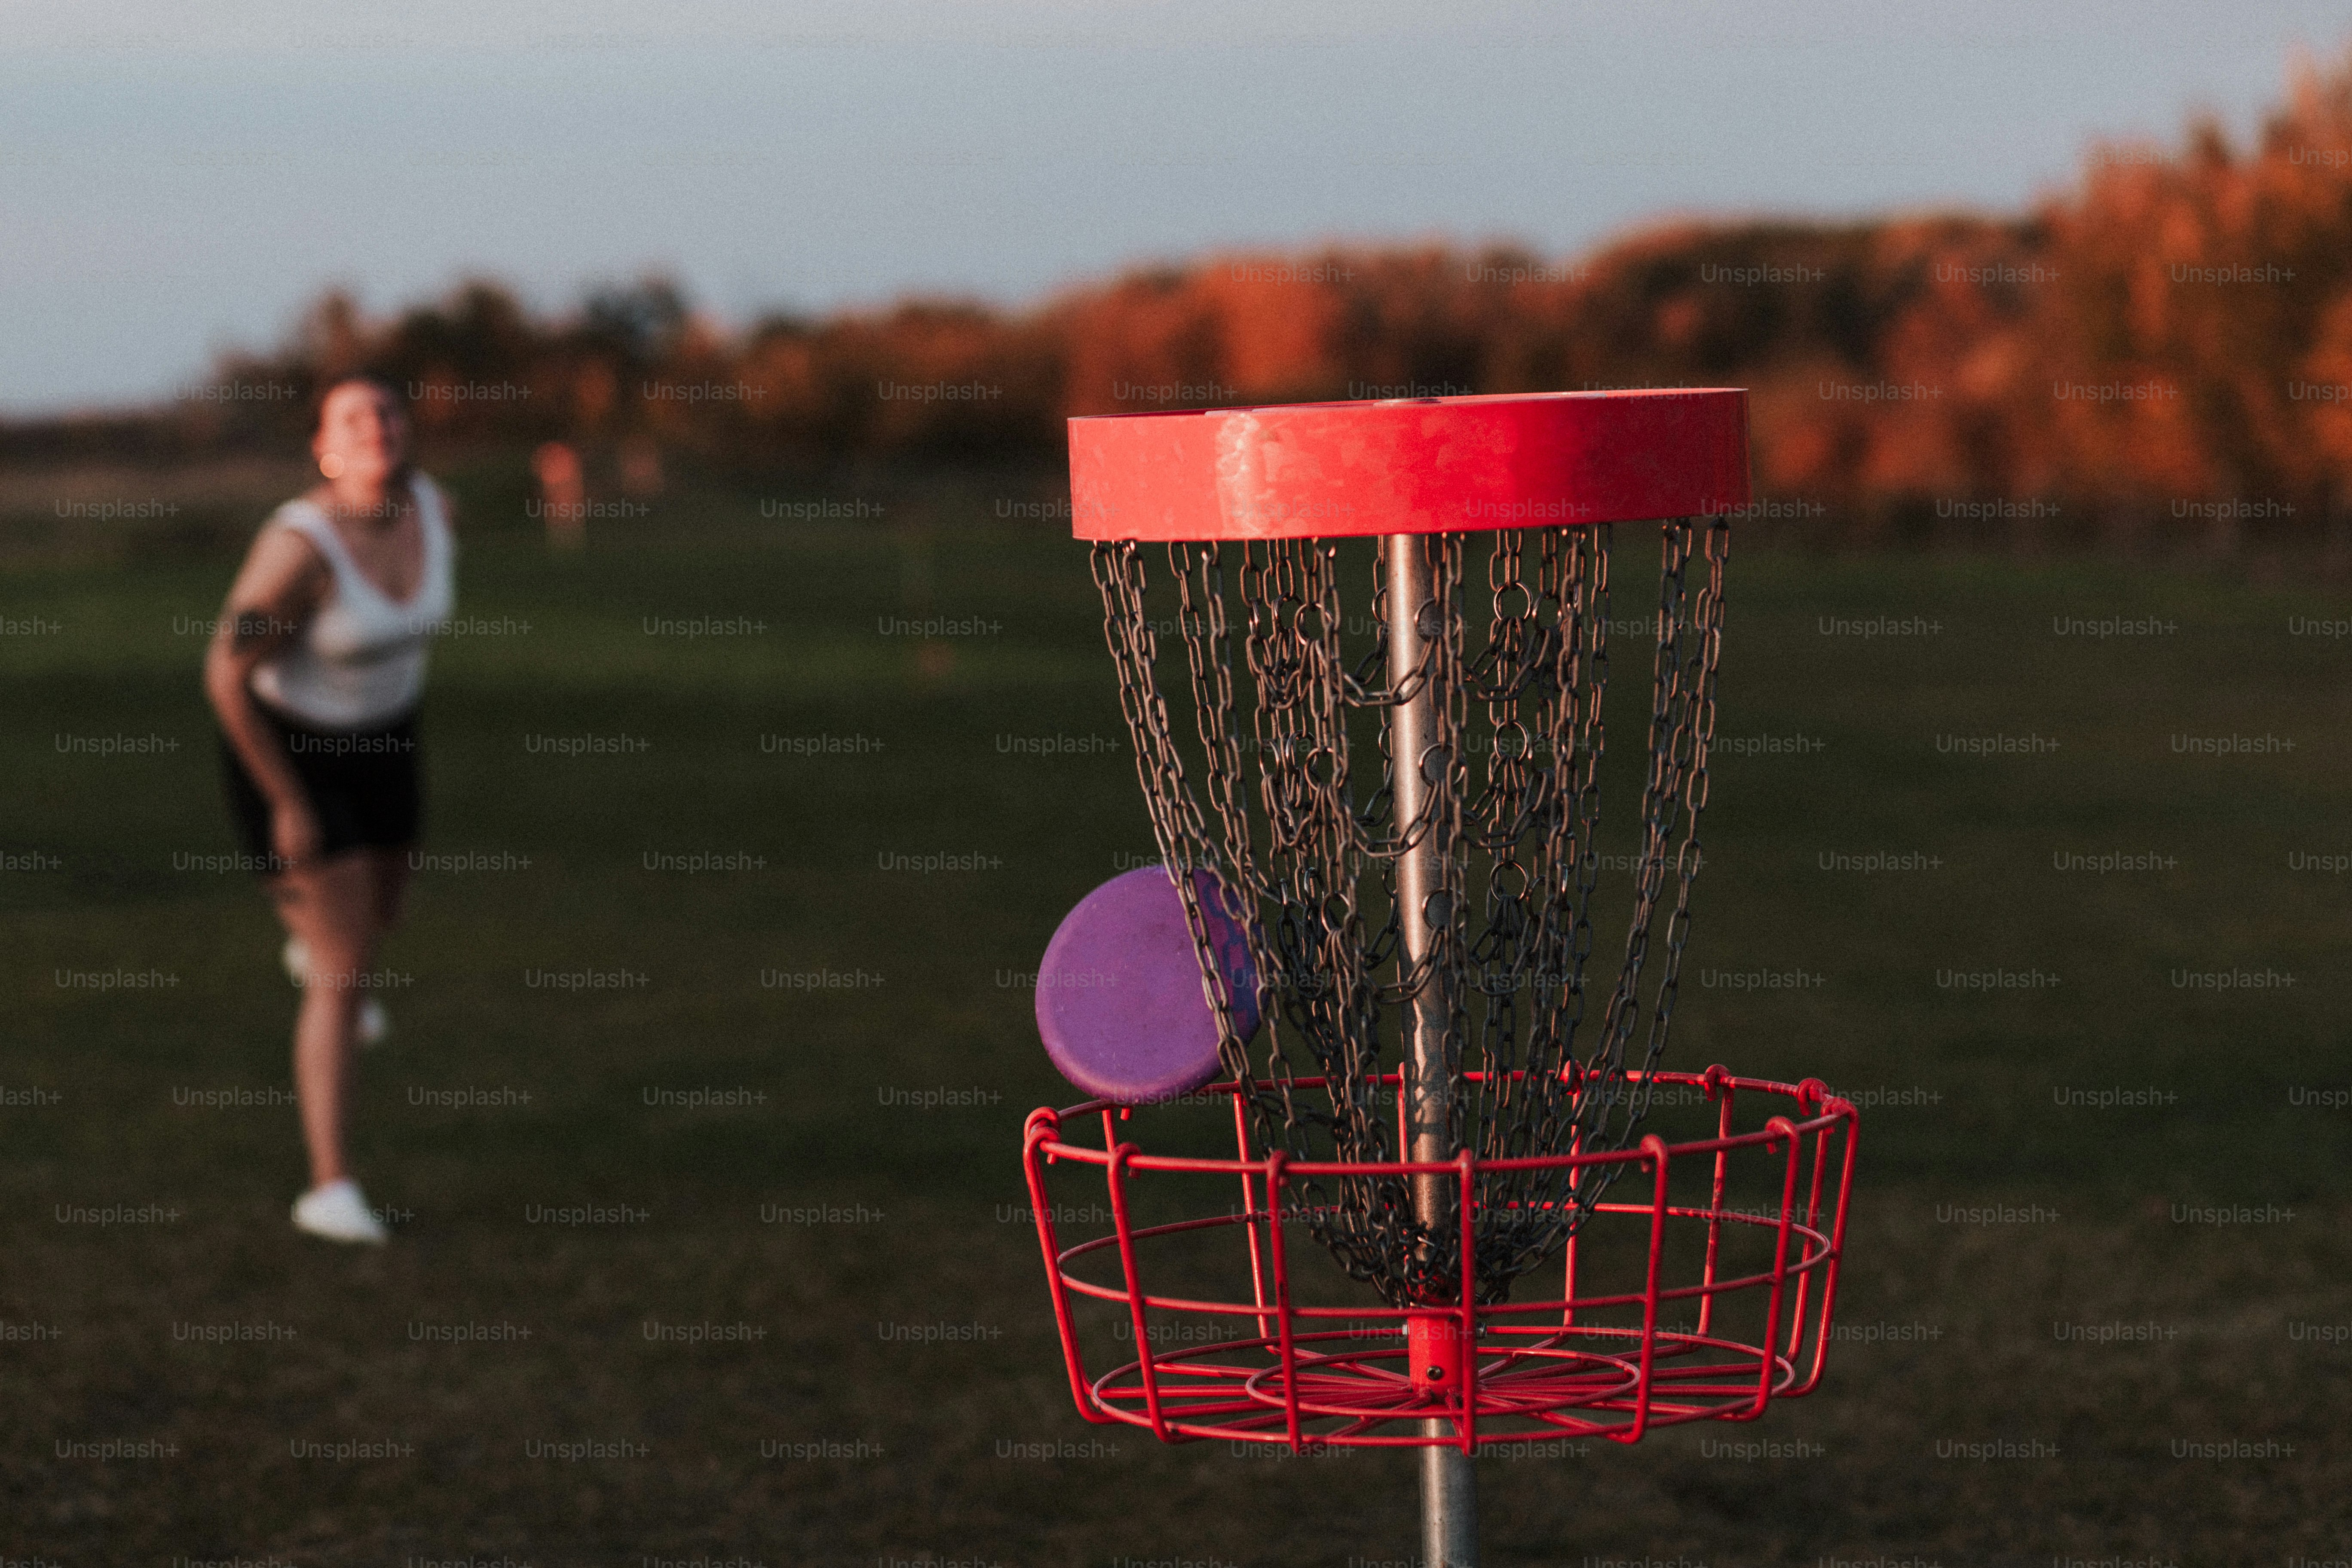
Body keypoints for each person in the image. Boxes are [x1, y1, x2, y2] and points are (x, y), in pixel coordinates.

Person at [204, 375, 455, 1245]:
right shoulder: (299, 552)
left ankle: (316, 942)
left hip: (390, 741)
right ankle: (330, 1189)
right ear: (324, 449)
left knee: (386, 914)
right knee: (345, 975)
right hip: (292, 756)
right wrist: (286, 802)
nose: (375, 424)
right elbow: (223, 674)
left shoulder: (434, 508)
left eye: (386, 409)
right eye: (352, 417)